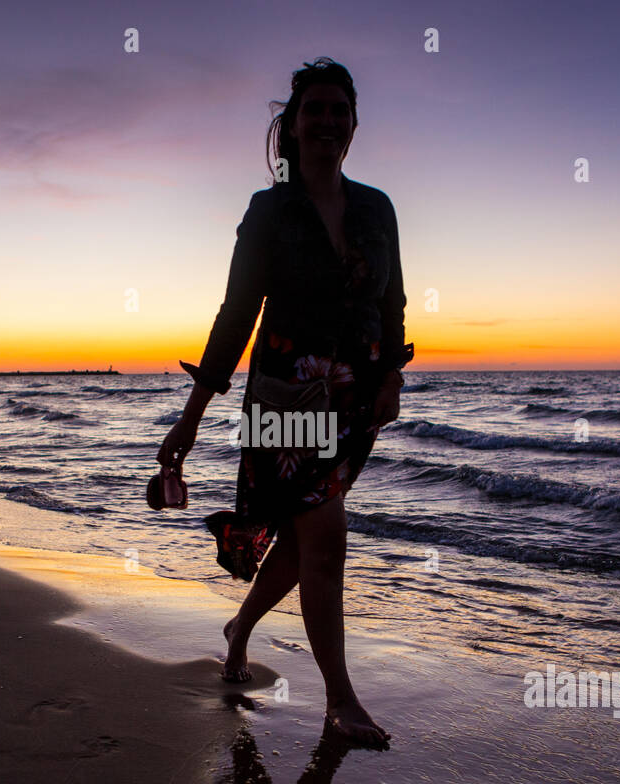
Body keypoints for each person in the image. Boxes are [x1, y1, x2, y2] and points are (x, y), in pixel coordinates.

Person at [157, 57, 412, 747]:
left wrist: (391, 377)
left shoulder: (378, 209)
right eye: (314, 110)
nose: (327, 121)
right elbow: (238, 312)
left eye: (339, 111)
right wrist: (192, 415)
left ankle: (240, 627)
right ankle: (341, 702)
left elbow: (392, 305)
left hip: (353, 402)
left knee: (303, 548)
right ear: (292, 128)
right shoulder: (269, 211)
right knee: (326, 541)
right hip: (284, 396)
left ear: (354, 126)